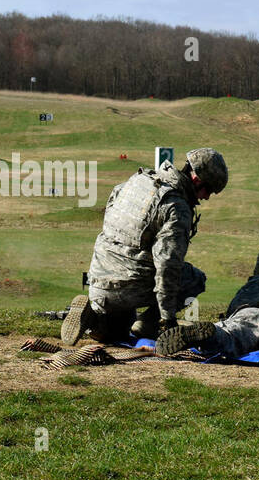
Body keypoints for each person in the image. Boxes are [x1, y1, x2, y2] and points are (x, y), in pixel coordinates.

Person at [61, 148, 228, 345]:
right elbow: (168, 265)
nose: (206, 198)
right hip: (130, 284)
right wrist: (168, 319)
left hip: (99, 278)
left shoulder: (137, 180)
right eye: (208, 190)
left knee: (118, 334)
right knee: (194, 278)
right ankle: (151, 323)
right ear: (197, 179)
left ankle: (94, 320)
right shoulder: (176, 206)